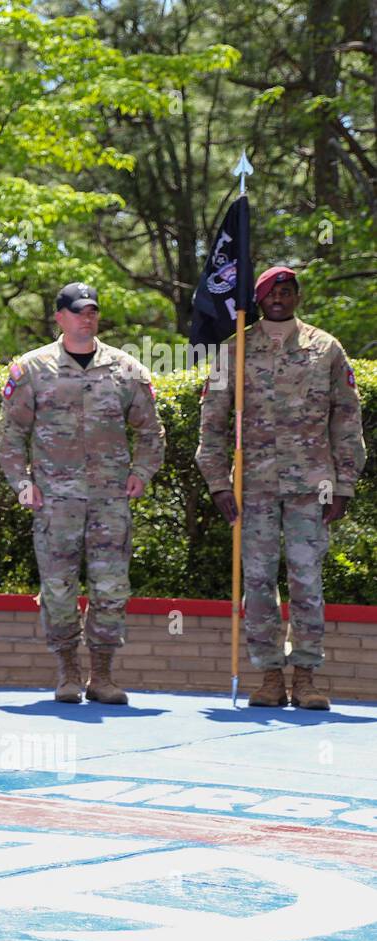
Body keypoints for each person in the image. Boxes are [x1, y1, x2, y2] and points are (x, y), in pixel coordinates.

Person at [196, 265, 366, 710]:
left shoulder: (325, 348)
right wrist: (218, 482)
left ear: (296, 297)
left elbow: (347, 419)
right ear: (258, 299)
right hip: (253, 487)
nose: (279, 298)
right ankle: (270, 675)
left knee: (307, 581)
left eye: (286, 291)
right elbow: (211, 424)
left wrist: (345, 482)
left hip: (313, 485)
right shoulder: (232, 351)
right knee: (257, 582)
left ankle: (306, 677)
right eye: (271, 292)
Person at [0, 282, 165, 705]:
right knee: (58, 589)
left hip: (110, 500)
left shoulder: (125, 369)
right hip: (55, 500)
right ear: (60, 317)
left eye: (91, 311)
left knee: (111, 588)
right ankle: (68, 671)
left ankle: (102, 676)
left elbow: (150, 430)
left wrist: (142, 472)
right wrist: (22, 482)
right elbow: (10, 434)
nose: (85, 318)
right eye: (77, 311)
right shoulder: (32, 369)